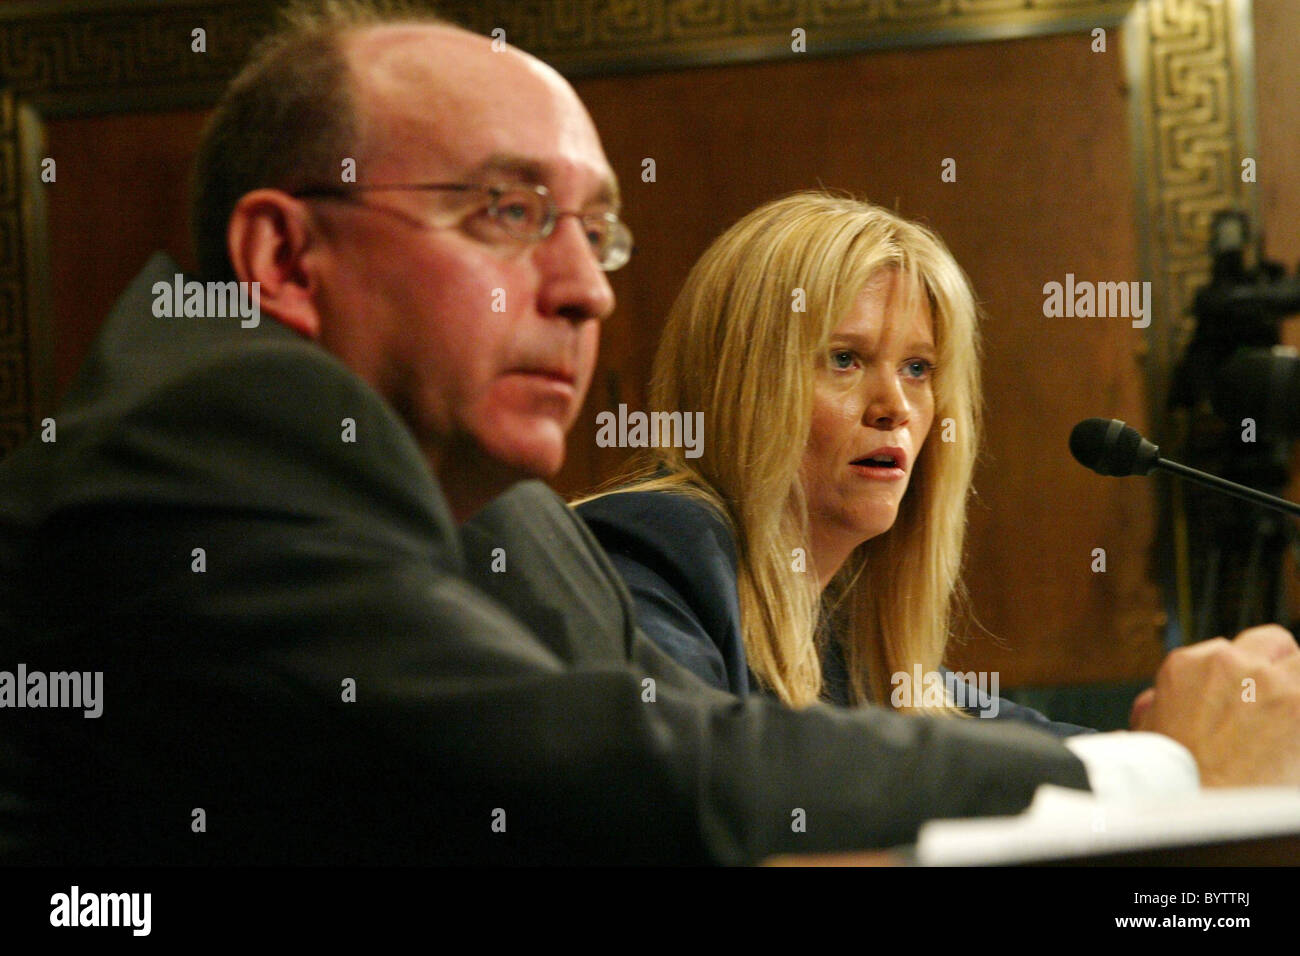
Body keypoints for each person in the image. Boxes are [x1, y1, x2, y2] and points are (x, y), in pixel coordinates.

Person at [0, 1, 1298, 866]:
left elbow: (707, 753)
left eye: (597, 228)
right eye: (508, 212)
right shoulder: (204, 441)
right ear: (283, 253)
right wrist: (1170, 770)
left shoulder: (511, 526)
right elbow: (648, 783)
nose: (589, 288)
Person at [577, 192, 1082, 734]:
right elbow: (712, 777)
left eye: (918, 368)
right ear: (743, 382)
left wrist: (1158, 750)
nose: (895, 408)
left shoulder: (843, 617)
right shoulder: (658, 549)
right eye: (845, 359)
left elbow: (1000, 736)